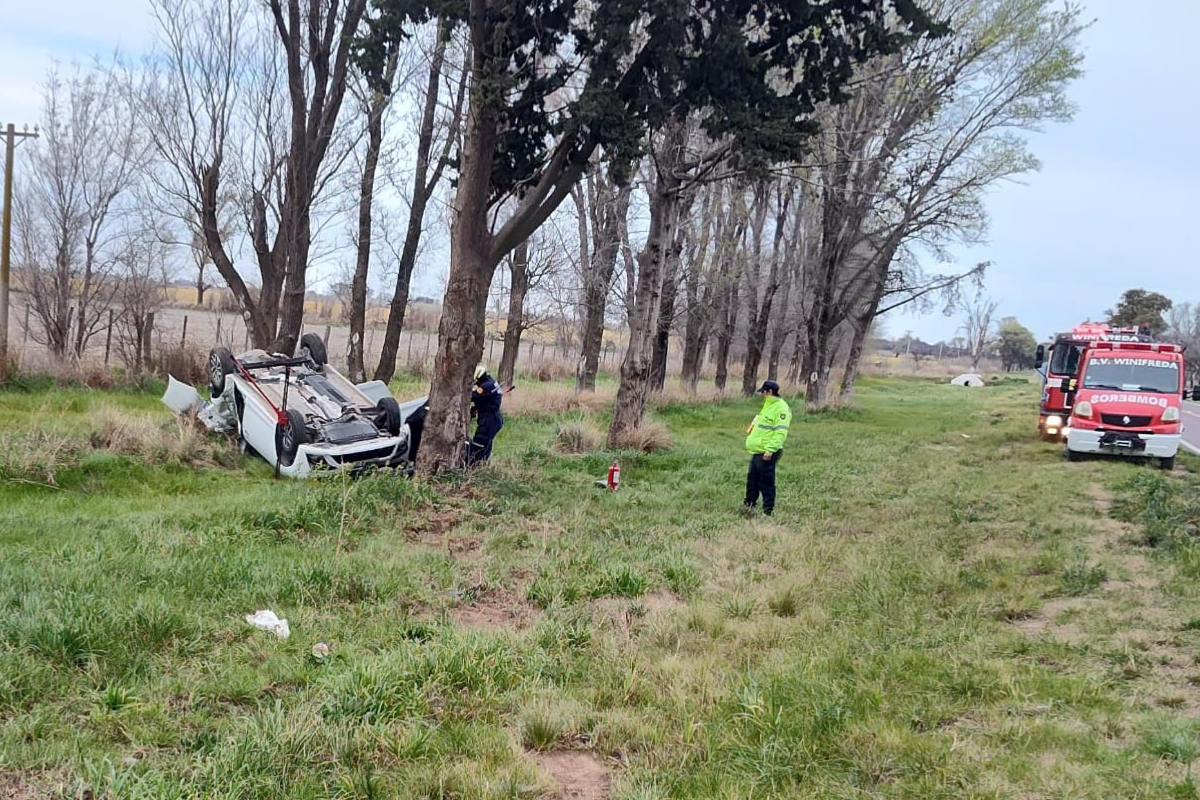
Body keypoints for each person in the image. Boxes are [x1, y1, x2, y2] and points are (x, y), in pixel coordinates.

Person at [743, 379, 790, 516]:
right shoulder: (768, 405)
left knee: (766, 482)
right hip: (758, 450)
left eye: (763, 392)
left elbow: (780, 433)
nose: (762, 395)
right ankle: (749, 505)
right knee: (752, 480)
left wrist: (770, 450)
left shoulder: (781, 408)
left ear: (770, 392)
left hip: (767, 452)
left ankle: (767, 510)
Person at [466, 364, 504, 466]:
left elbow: (471, 396)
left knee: (479, 443)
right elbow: (486, 400)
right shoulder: (491, 382)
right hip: (495, 418)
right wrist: (475, 409)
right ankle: (482, 464)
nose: (476, 383)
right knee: (487, 444)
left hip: (489, 420)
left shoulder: (485, 386)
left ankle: (472, 466)